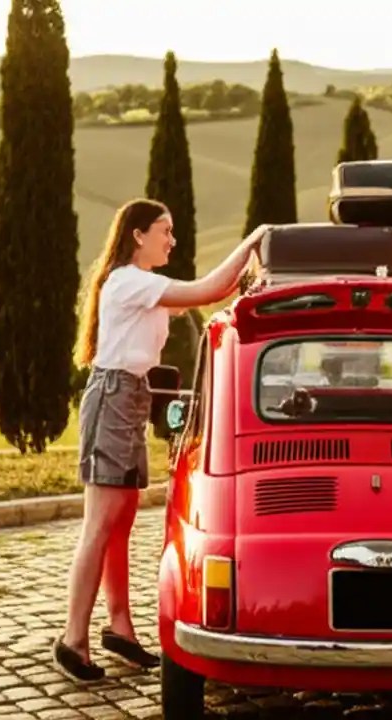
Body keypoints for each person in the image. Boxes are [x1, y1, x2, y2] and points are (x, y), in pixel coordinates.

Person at [53, 198, 266, 682]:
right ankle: (73, 640)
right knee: (98, 525)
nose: (172, 240)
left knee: (121, 522)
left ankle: (120, 629)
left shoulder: (142, 286)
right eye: (165, 231)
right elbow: (207, 289)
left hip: (130, 397)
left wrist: (252, 268)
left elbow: (214, 296)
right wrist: (254, 241)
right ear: (138, 235)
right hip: (112, 397)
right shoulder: (131, 282)